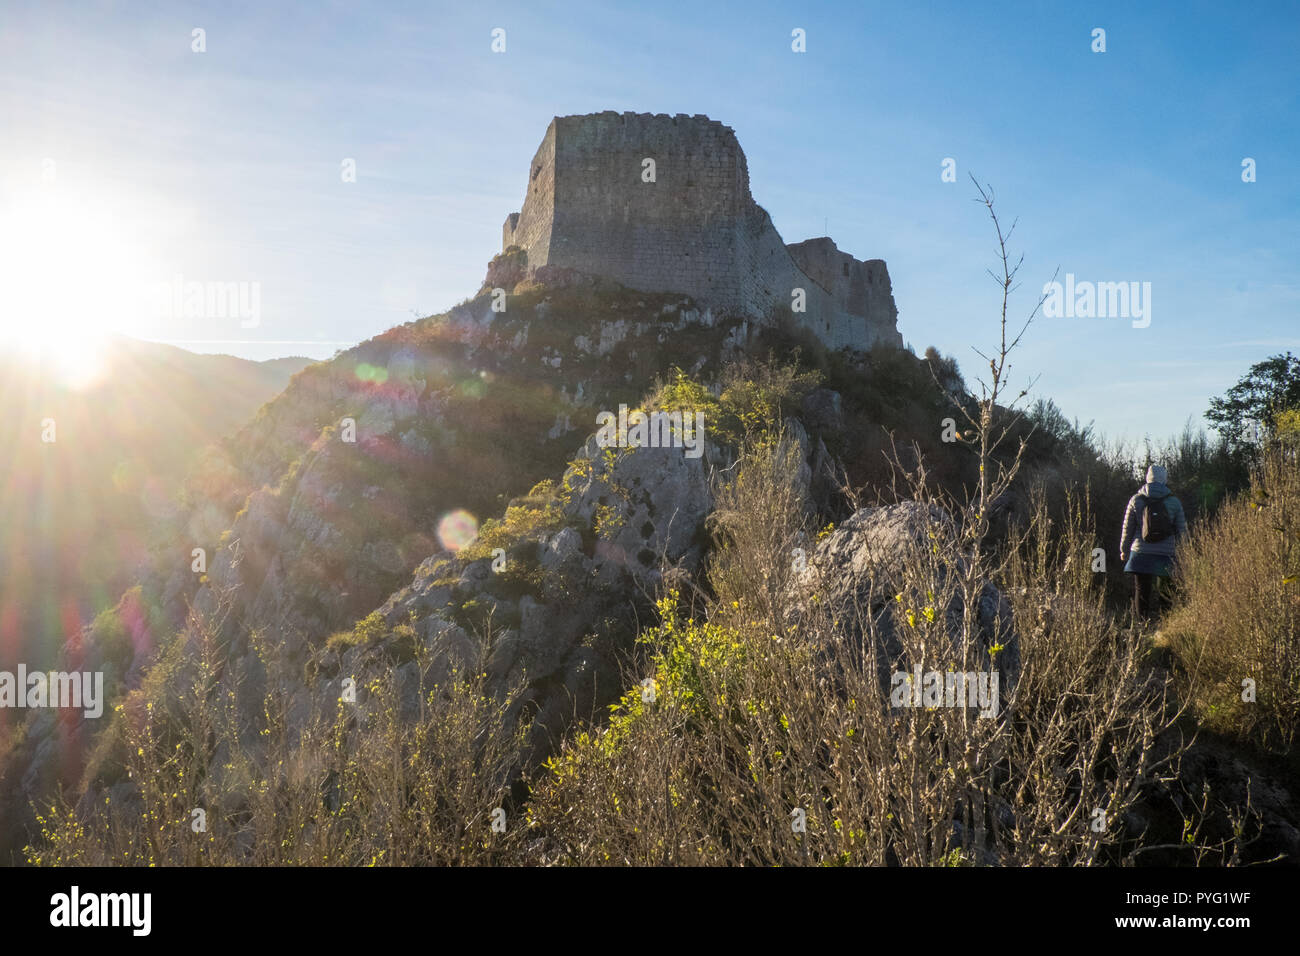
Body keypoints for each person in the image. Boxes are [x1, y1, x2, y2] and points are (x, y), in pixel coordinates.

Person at [1120, 464, 1188, 621]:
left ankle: (1142, 625)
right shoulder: (1174, 502)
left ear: (1147, 478)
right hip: (1166, 553)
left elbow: (1127, 528)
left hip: (1141, 552)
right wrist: (1184, 553)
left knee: (1141, 589)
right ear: (1164, 479)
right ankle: (1165, 626)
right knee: (1165, 591)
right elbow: (1182, 530)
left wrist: (1123, 549)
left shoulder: (1135, 500)